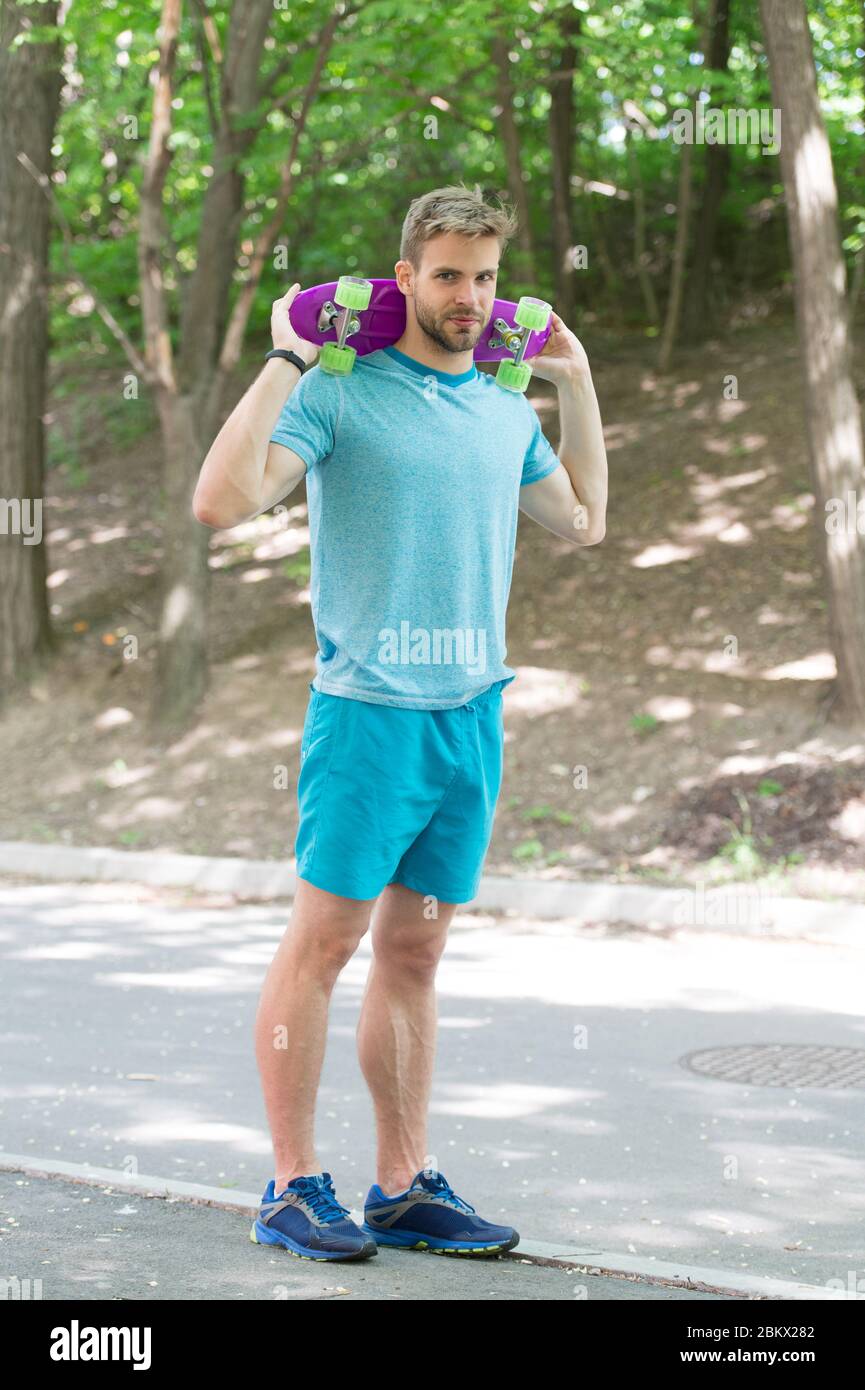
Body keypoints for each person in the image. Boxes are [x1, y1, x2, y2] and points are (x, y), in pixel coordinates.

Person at [193, 182, 608, 1262]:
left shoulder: (501, 405)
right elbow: (220, 502)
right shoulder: (341, 392)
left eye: (483, 277)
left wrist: (576, 378)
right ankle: (292, 1184)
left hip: (468, 716)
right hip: (367, 716)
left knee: (414, 953)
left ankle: (401, 1183)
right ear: (403, 278)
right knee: (323, 942)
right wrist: (286, 350)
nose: (468, 297)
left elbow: (584, 522)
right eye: (446, 275)